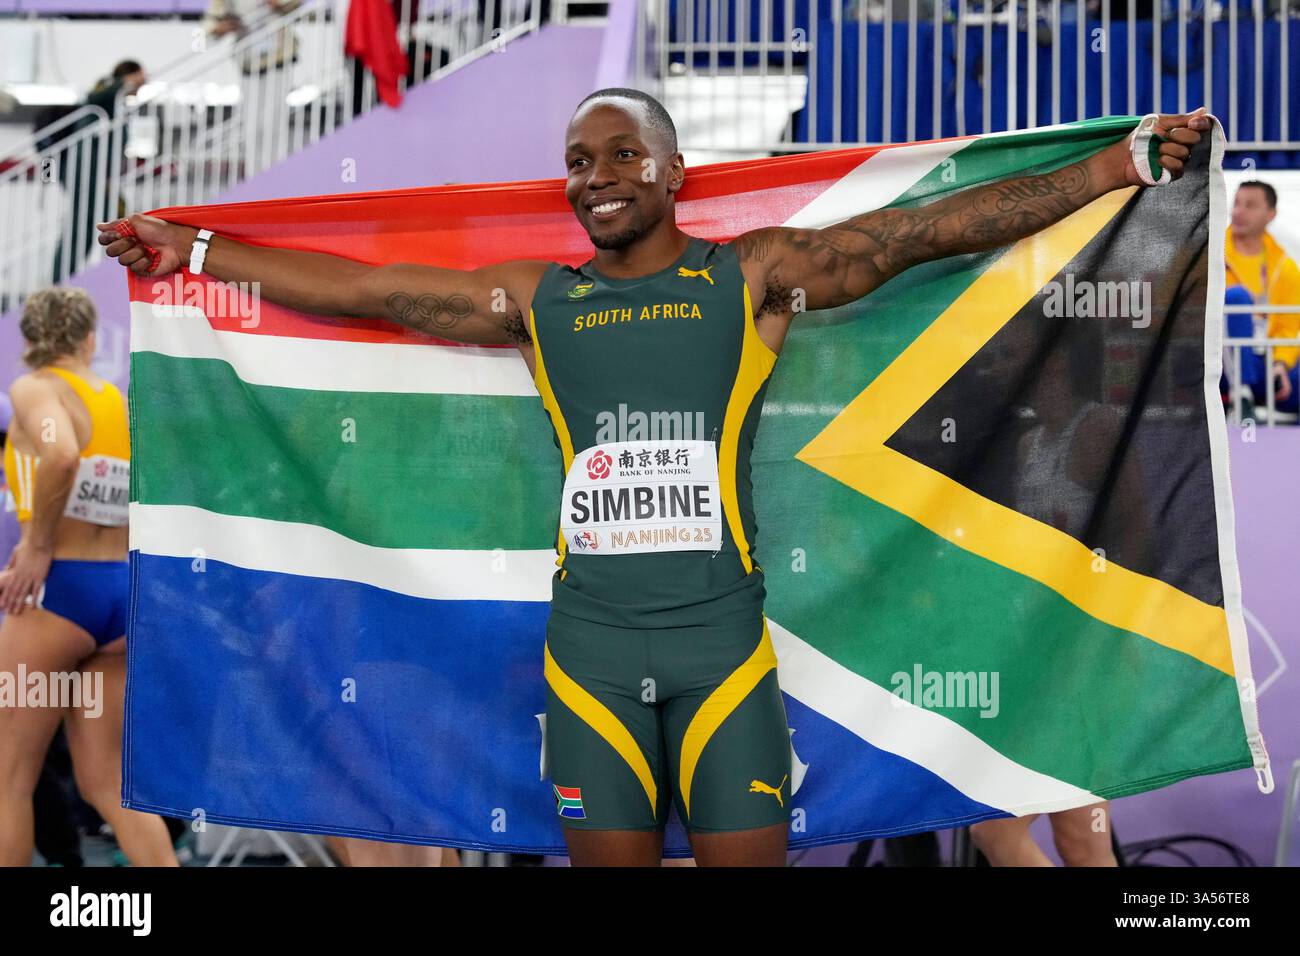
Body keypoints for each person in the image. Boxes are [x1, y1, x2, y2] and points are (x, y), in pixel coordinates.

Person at [99, 92, 1209, 866]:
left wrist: (1118, 166)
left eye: (622, 154)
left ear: (674, 171)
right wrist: (194, 250)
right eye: (581, 162)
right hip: (589, 659)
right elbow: (370, 291)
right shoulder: (540, 300)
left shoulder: (755, 275)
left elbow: (925, 232)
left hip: (719, 653)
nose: (598, 178)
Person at [0, 288, 178, 867]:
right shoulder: (113, 400)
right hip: (117, 599)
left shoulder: (34, 389)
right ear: (90, 339)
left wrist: (36, 543)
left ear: (29, 342)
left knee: (9, 779)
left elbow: (59, 453)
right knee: (107, 784)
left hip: (60, 596)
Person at [1225, 181, 1300, 415]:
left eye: (1250, 205)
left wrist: (1280, 365)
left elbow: (1287, 329)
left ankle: (1246, 398)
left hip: (1263, 364)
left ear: (1271, 214)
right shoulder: (1206, 256)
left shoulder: (1286, 268)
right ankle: (1240, 394)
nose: (1238, 211)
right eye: (1236, 203)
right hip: (1216, 367)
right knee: (1236, 297)